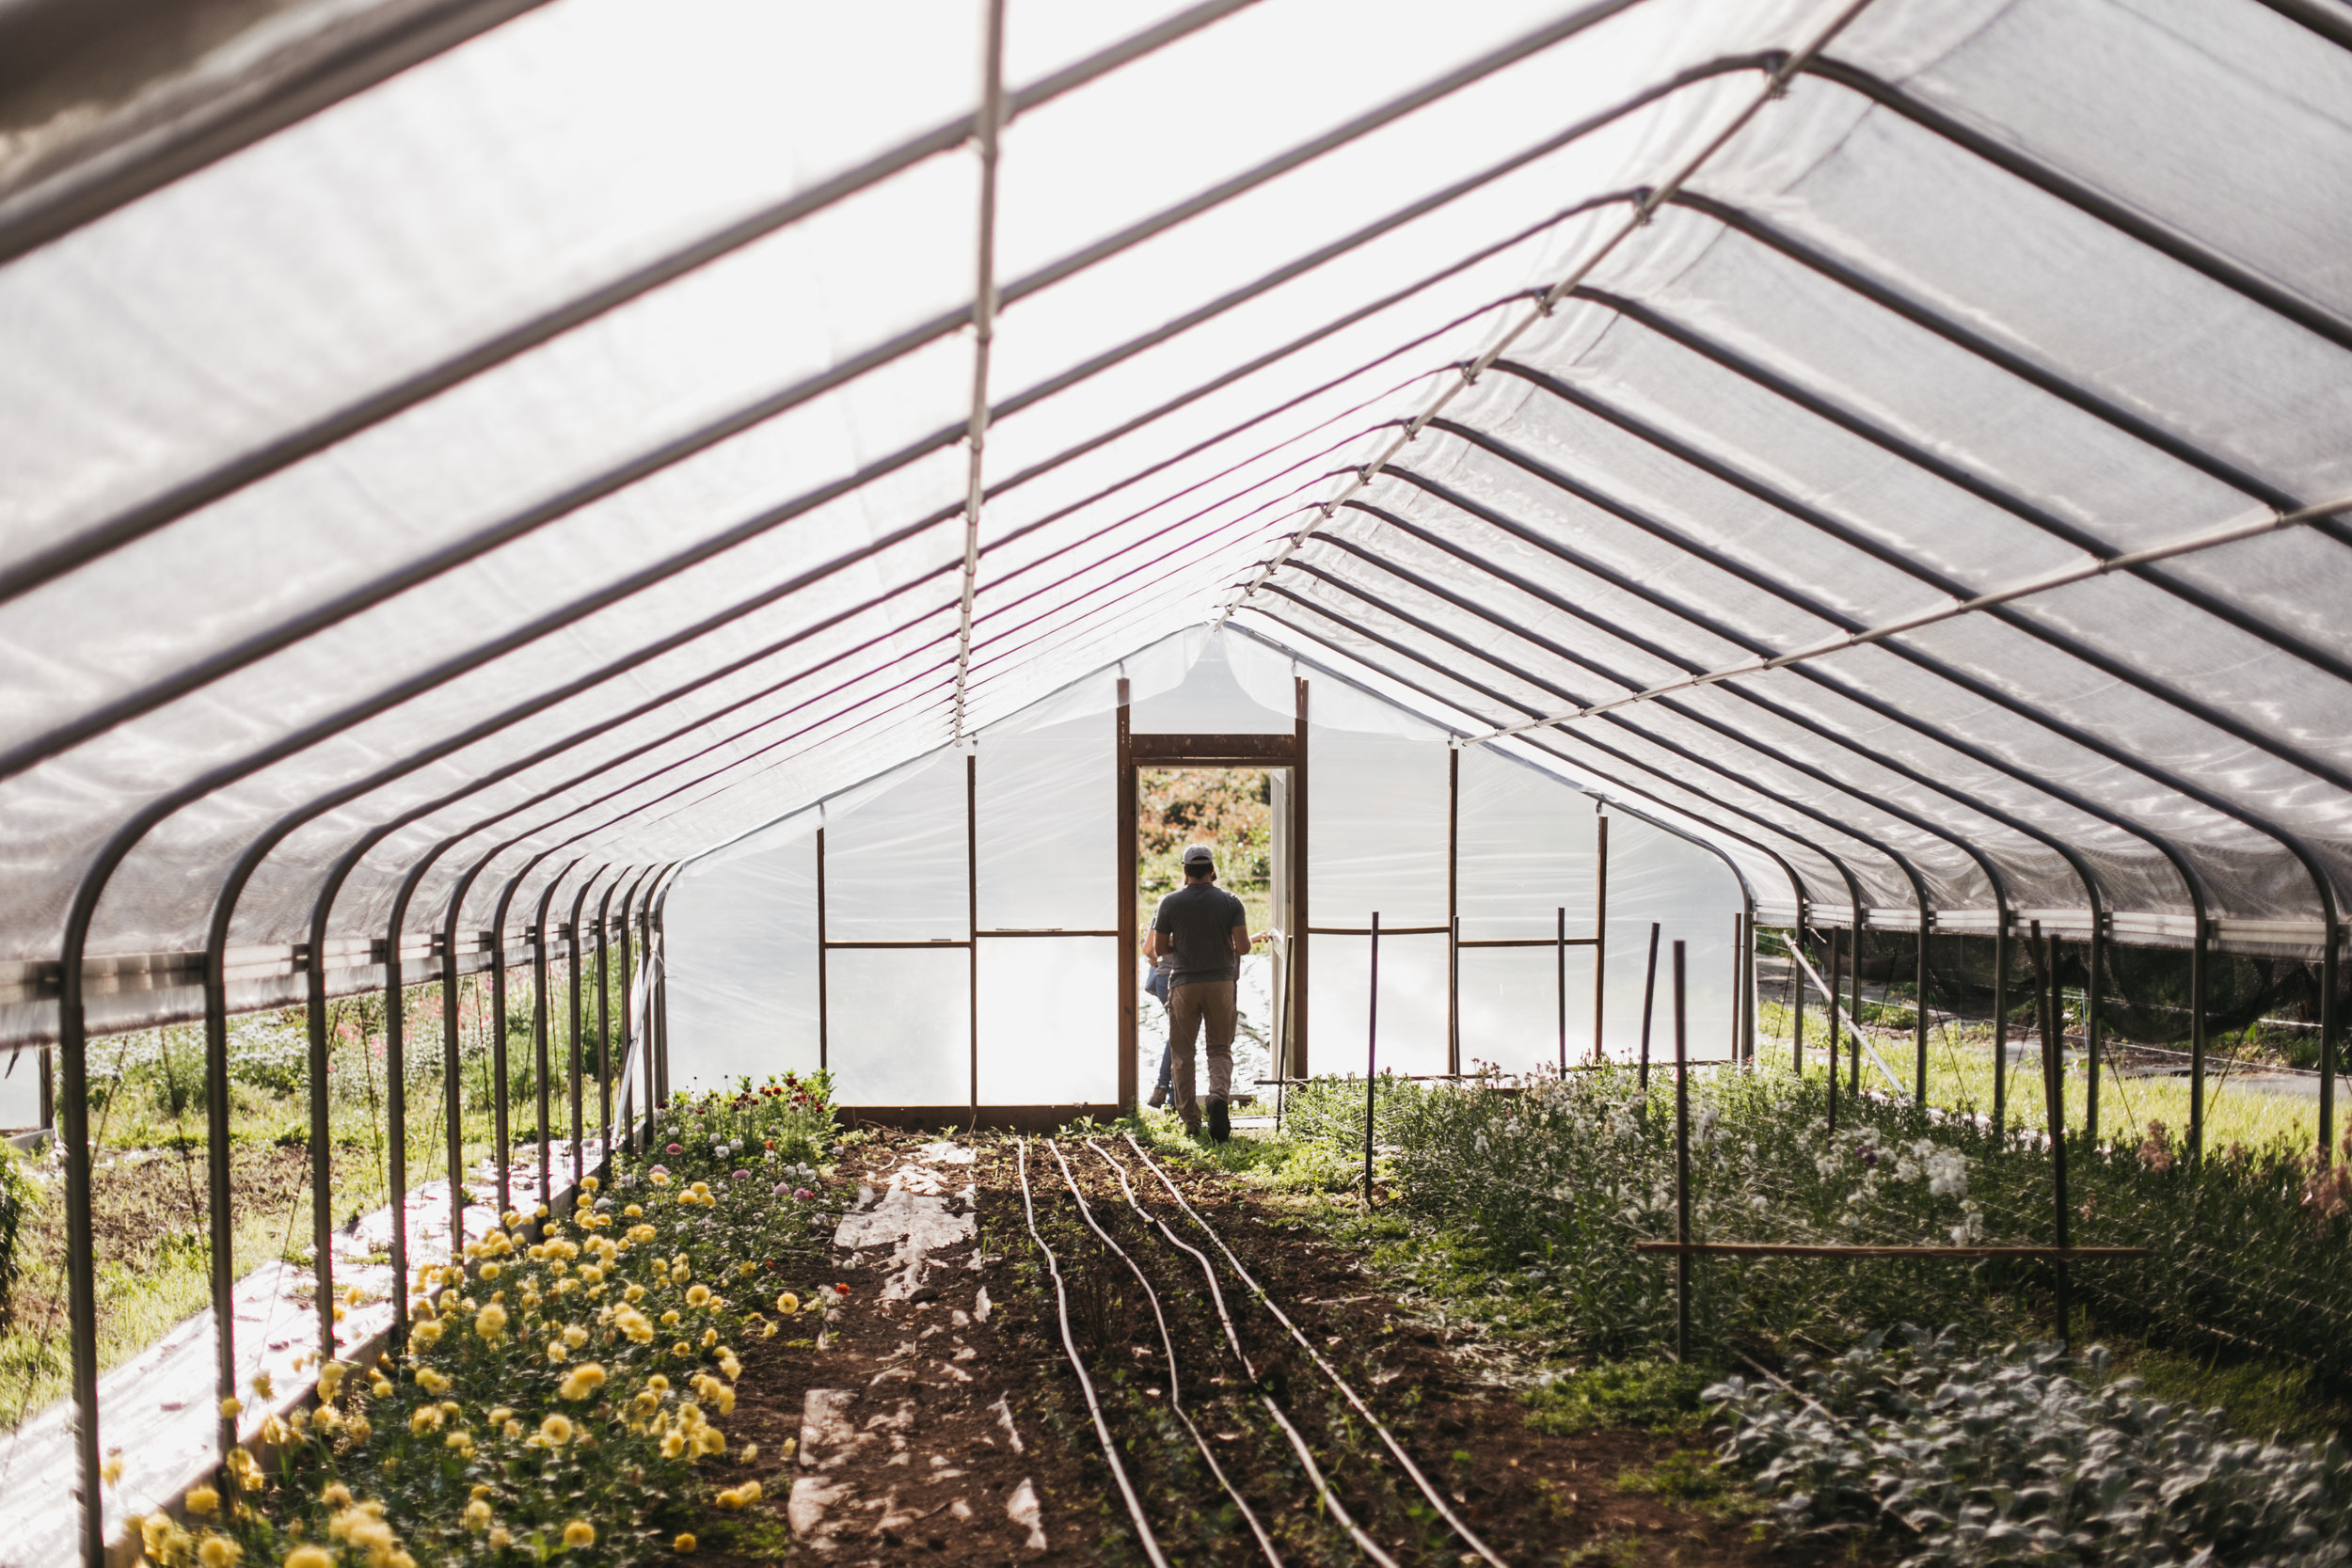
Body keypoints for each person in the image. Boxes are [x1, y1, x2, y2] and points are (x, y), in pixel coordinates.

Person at [1146, 843, 1253, 1141]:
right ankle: (1218, 1097)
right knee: (1219, 1049)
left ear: (1185, 870)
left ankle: (1191, 1122)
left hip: (1183, 984)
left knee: (1183, 1054)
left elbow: (1159, 950)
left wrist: (1183, 947)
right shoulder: (1231, 902)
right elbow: (1243, 946)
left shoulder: (1169, 903)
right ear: (1212, 869)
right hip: (1221, 984)